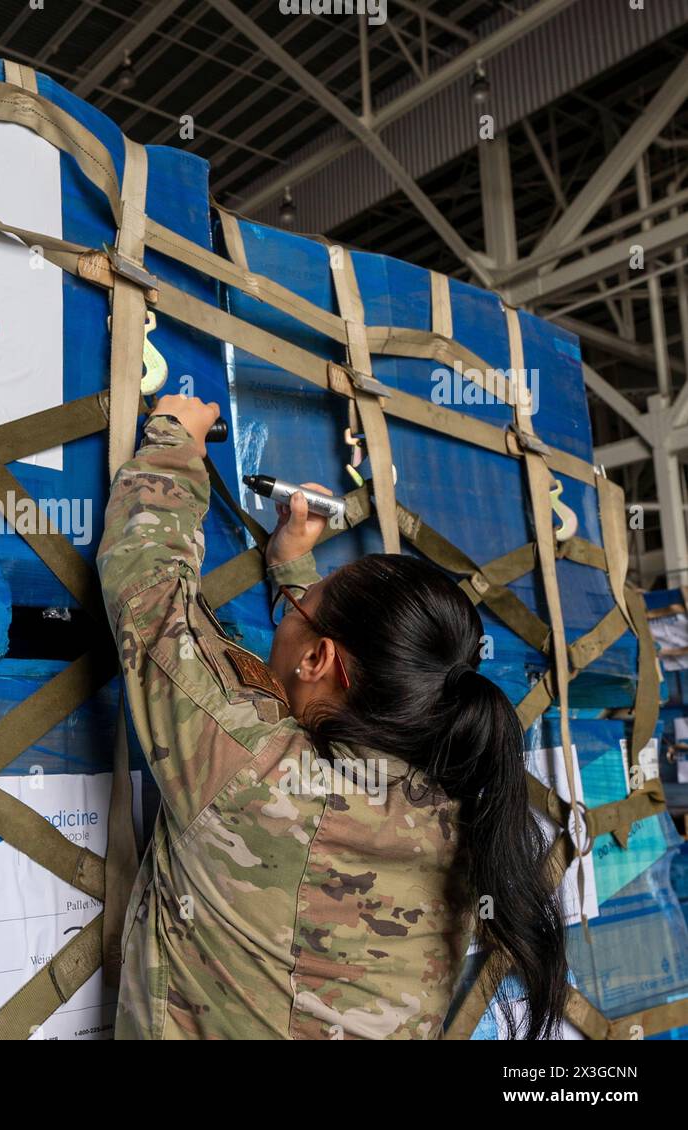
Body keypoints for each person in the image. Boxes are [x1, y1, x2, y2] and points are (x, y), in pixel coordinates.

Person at [97, 394, 568, 1040]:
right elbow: (325, 681)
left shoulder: (258, 776)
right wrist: (294, 570)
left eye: (301, 606)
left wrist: (176, 439)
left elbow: (146, 590)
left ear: (321, 657)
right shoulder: (458, 824)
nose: (289, 610)